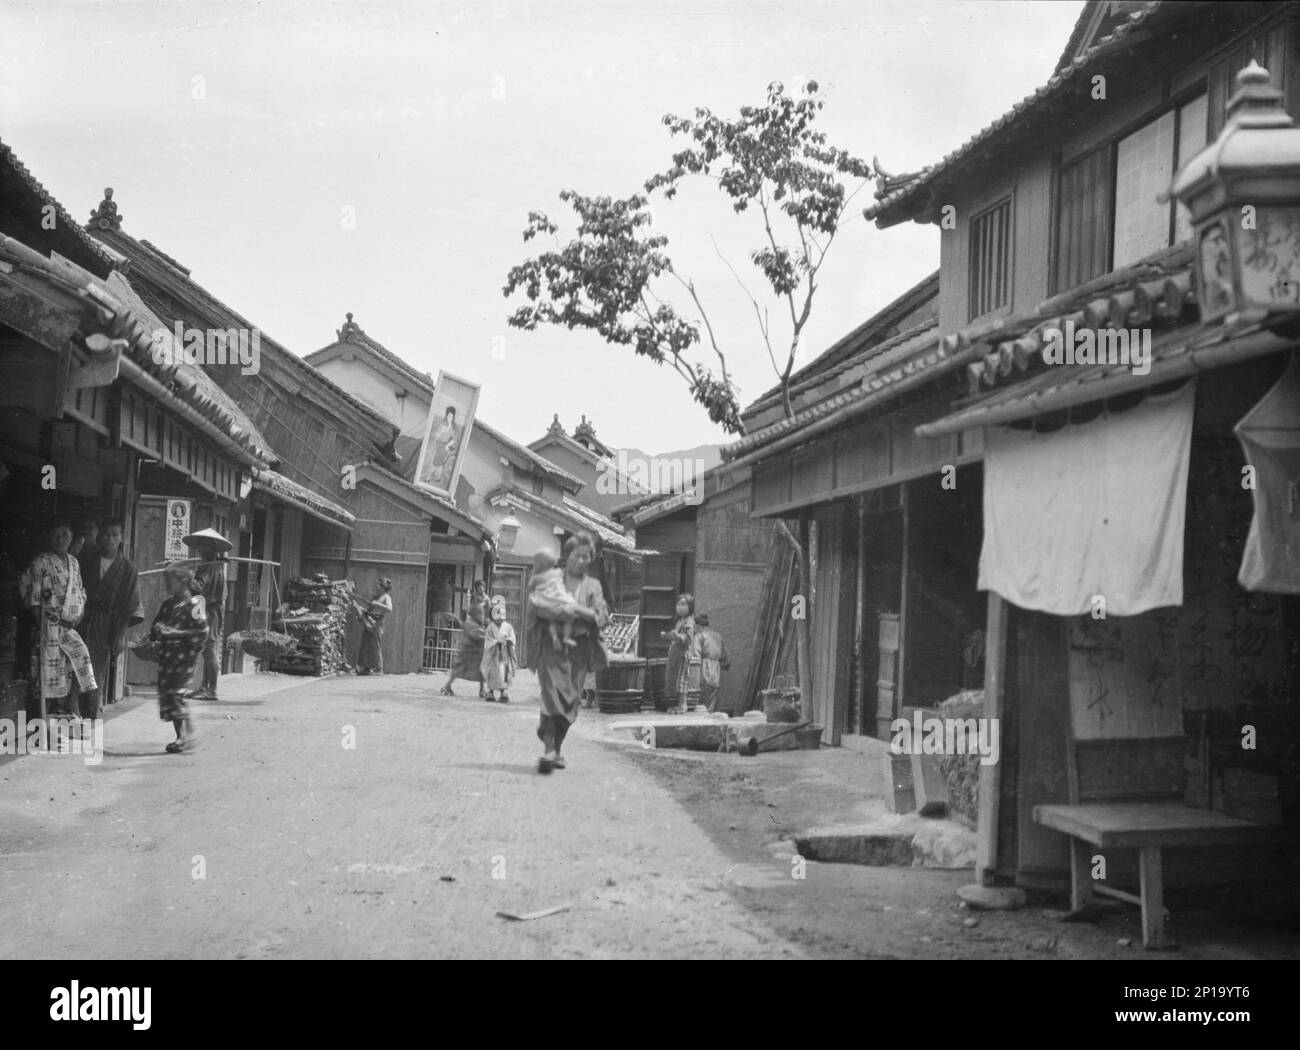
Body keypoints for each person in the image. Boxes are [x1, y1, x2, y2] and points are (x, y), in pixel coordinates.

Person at [525, 531, 608, 773]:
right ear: (566, 555)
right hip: (552, 646)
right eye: (576, 555)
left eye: (586, 557)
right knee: (552, 694)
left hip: (579, 649)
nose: (580, 561)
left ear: (590, 559)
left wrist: (578, 611)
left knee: (570, 700)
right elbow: (535, 604)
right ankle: (549, 750)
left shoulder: (593, 586)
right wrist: (560, 613)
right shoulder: (553, 578)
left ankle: (557, 749)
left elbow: (600, 616)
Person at [19, 521, 99, 722]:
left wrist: (77, 615)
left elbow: (80, 591)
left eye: (64, 534)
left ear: (71, 536)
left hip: (69, 627)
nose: (60, 539)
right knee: (47, 675)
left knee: (81, 662)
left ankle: (71, 712)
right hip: (49, 626)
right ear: (48, 537)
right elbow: (35, 601)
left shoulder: (73, 562)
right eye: (55, 535)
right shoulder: (40, 563)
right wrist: (42, 629)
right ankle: (44, 723)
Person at [79, 520, 143, 716]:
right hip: (81, 617)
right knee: (74, 667)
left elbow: (130, 605)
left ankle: (90, 715)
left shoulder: (128, 568)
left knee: (95, 670)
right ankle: (71, 714)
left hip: (106, 624)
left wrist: (120, 635)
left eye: (115, 534)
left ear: (121, 538)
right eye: (106, 534)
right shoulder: (85, 560)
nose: (110, 539)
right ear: (99, 536)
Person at [149, 563, 208, 753]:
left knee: (176, 693)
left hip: (185, 658)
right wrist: (156, 632)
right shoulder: (168, 603)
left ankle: (184, 736)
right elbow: (156, 624)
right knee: (167, 695)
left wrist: (174, 632)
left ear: (183, 582)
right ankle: (183, 734)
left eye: (170, 581)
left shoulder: (196, 603)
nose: (167, 584)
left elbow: (202, 632)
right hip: (167, 658)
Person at [183, 528, 229, 701]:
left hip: (210, 610)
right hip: (205, 608)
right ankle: (204, 687)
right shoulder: (213, 565)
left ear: (212, 549)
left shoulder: (209, 567)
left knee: (209, 650)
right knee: (205, 650)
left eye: (206, 547)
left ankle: (213, 690)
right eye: (200, 546)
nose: (201, 549)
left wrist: (184, 575)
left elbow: (197, 587)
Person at [441, 579, 488, 697]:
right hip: (470, 643)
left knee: (481, 667)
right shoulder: (473, 605)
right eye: (478, 587)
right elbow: (475, 629)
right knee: (460, 666)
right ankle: (447, 686)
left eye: (482, 586)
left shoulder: (486, 601)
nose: (481, 589)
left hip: (478, 644)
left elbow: (485, 619)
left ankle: (482, 689)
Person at [529, 550, 575, 651]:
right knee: (568, 617)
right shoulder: (558, 575)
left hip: (545, 606)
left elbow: (531, 587)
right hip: (557, 605)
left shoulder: (540, 576)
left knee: (552, 621)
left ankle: (555, 637)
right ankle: (565, 638)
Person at [661, 593, 697, 714]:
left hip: (683, 654)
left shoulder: (689, 621)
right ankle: (679, 704)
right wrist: (668, 636)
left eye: (683, 604)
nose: (680, 607)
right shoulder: (680, 621)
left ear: (690, 606)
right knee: (677, 679)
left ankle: (683, 705)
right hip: (676, 653)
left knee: (682, 679)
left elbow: (689, 639)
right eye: (678, 604)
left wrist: (678, 636)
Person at [480, 596, 517, 702]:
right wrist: (495, 641)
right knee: (492, 672)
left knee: (503, 672)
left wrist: (509, 640)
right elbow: (488, 640)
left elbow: (512, 638)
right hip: (493, 653)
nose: (499, 617)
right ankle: (490, 691)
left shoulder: (508, 626)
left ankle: (503, 692)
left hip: (504, 653)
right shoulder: (490, 627)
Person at [353, 577, 393, 675]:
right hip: (369, 621)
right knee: (365, 643)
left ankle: (379, 668)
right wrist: (362, 611)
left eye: (378, 585)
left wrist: (378, 604)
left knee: (375, 645)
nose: (376, 587)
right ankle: (366, 668)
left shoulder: (386, 597)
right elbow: (370, 609)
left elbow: (389, 608)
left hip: (378, 623)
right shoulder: (375, 597)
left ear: (383, 587)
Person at [694, 612, 731, 713]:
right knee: (713, 693)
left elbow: (695, 654)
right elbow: (726, 658)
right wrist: (725, 664)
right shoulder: (717, 636)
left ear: (697, 625)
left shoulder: (699, 636)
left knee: (701, 695)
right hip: (716, 668)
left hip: (702, 666)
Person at [424, 406, 460, 489]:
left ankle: (437, 476)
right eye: (448, 416)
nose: (449, 418)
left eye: (451, 416)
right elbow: (436, 435)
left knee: (440, 462)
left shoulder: (453, 428)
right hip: (439, 444)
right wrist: (441, 432)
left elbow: (454, 439)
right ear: (446, 416)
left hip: (445, 447)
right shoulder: (443, 425)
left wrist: (447, 445)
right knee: (435, 461)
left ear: (453, 417)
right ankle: (428, 476)